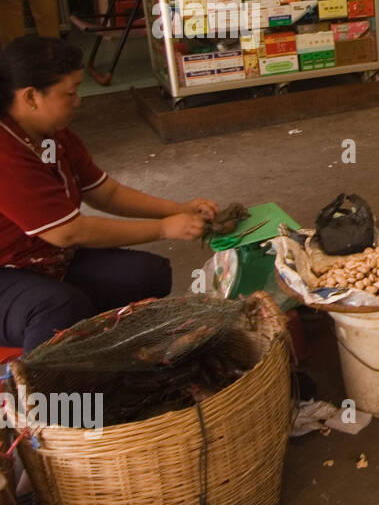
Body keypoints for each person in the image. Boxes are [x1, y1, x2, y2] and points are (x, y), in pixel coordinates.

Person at [0, 37, 217, 354]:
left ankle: (95, 353)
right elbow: (67, 231)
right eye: (70, 93)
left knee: (147, 275)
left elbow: (106, 192)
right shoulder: (5, 152)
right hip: (9, 272)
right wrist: (164, 228)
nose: (79, 101)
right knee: (57, 306)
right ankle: (41, 399)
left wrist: (178, 209)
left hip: (46, 262)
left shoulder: (56, 136)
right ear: (31, 97)